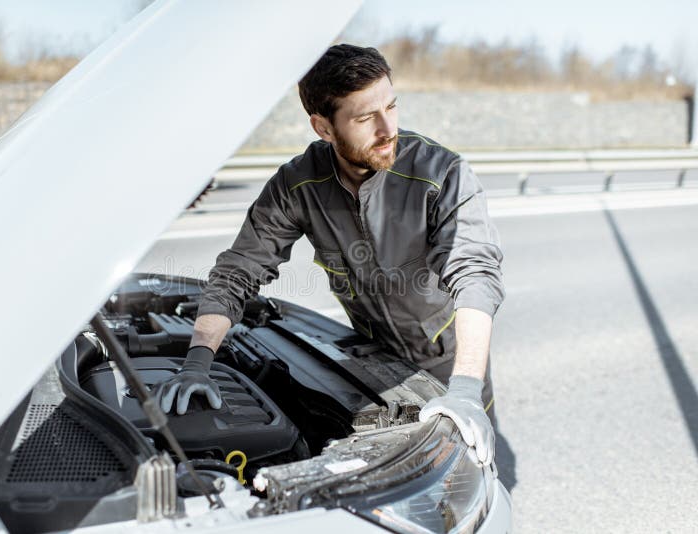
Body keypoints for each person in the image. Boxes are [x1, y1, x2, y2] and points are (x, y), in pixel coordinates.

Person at [158, 44, 505, 466]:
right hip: (373, 364)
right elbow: (238, 271)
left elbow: (475, 274)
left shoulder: (440, 173)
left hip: (451, 365)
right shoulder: (296, 186)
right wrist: (197, 362)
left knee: (471, 478)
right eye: (364, 118)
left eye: (391, 107)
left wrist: (466, 387)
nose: (387, 128)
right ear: (323, 127)